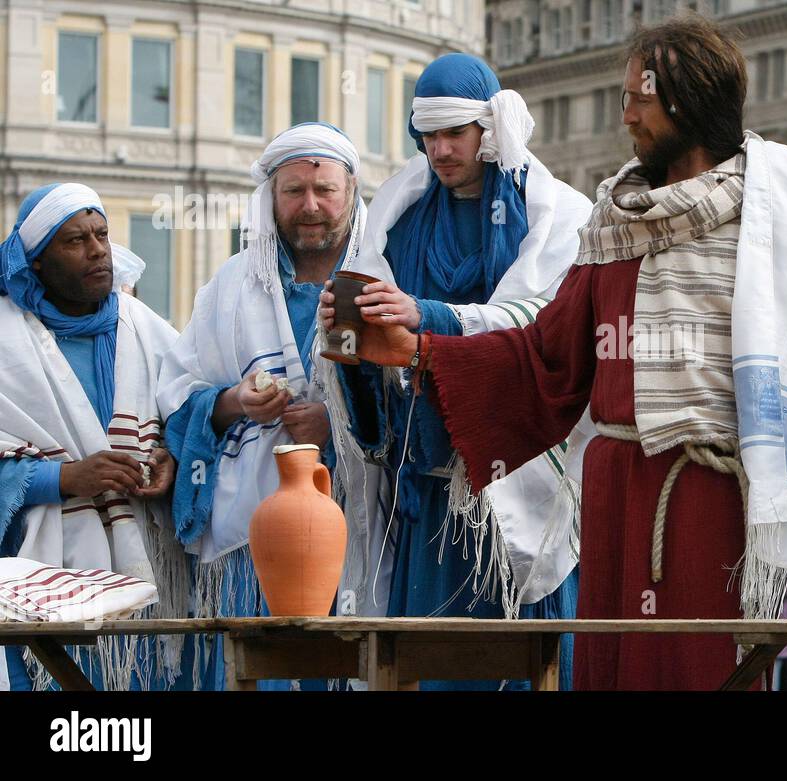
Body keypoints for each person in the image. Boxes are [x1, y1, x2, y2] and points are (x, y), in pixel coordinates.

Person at [331, 15, 787, 690]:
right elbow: (545, 358)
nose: (625, 114)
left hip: (706, 501)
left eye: (638, 97)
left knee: (698, 669)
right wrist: (421, 348)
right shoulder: (613, 223)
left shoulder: (771, 210)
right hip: (615, 497)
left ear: (686, 102)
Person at [320, 53, 592, 690]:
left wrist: (428, 318)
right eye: (428, 136)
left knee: (520, 665)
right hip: (430, 488)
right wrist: (349, 335)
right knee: (429, 665)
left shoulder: (554, 215)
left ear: (490, 127)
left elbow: (544, 329)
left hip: (514, 483)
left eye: (454, 134)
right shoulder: (401, 215)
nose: (439, 151)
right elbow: (369, 349)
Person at [158, 123, 374, 690]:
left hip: (361, 525)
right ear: (270, 198)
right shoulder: (231, 287)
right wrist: (233, 403)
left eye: (324, 190)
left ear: (351, 192)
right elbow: (178, 391)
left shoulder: (381, 279)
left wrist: (338, 424)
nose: (310, 206)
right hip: (251, 537)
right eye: (293, 191)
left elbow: (416, 392)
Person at [0, 184, 187, 690]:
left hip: (149, 575)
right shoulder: (5, 339)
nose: (98, 250)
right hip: (27, 582)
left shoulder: (148, 330)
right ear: (35, 261)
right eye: (74, 241)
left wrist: (171, 455)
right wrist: (62, 478)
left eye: (101, 234)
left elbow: (188, 413)